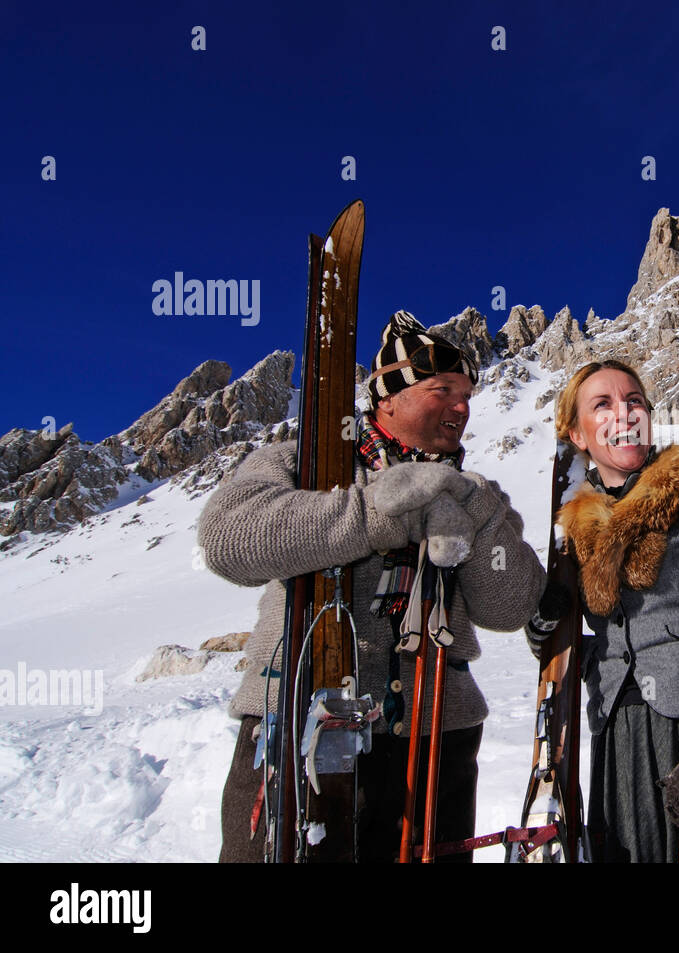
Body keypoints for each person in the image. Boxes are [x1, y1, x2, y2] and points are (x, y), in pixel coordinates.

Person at [200, 310, 544, 862]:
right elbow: (229, 541)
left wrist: (474, 512)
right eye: (443, 389)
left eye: (468, 393)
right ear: (388, 399)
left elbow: (512, 605)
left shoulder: (478, 496)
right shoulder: (305, 461)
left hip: (437, 744)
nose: (463, 407)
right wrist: (375, 514)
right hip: (297, 727)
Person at [541, 360, 679, 862]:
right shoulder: (575, 532)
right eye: (602, 405)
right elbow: (555, 640)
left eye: (634, 402)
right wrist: (542, 615)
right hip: (615, 720)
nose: (623, 414)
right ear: (577, 434)